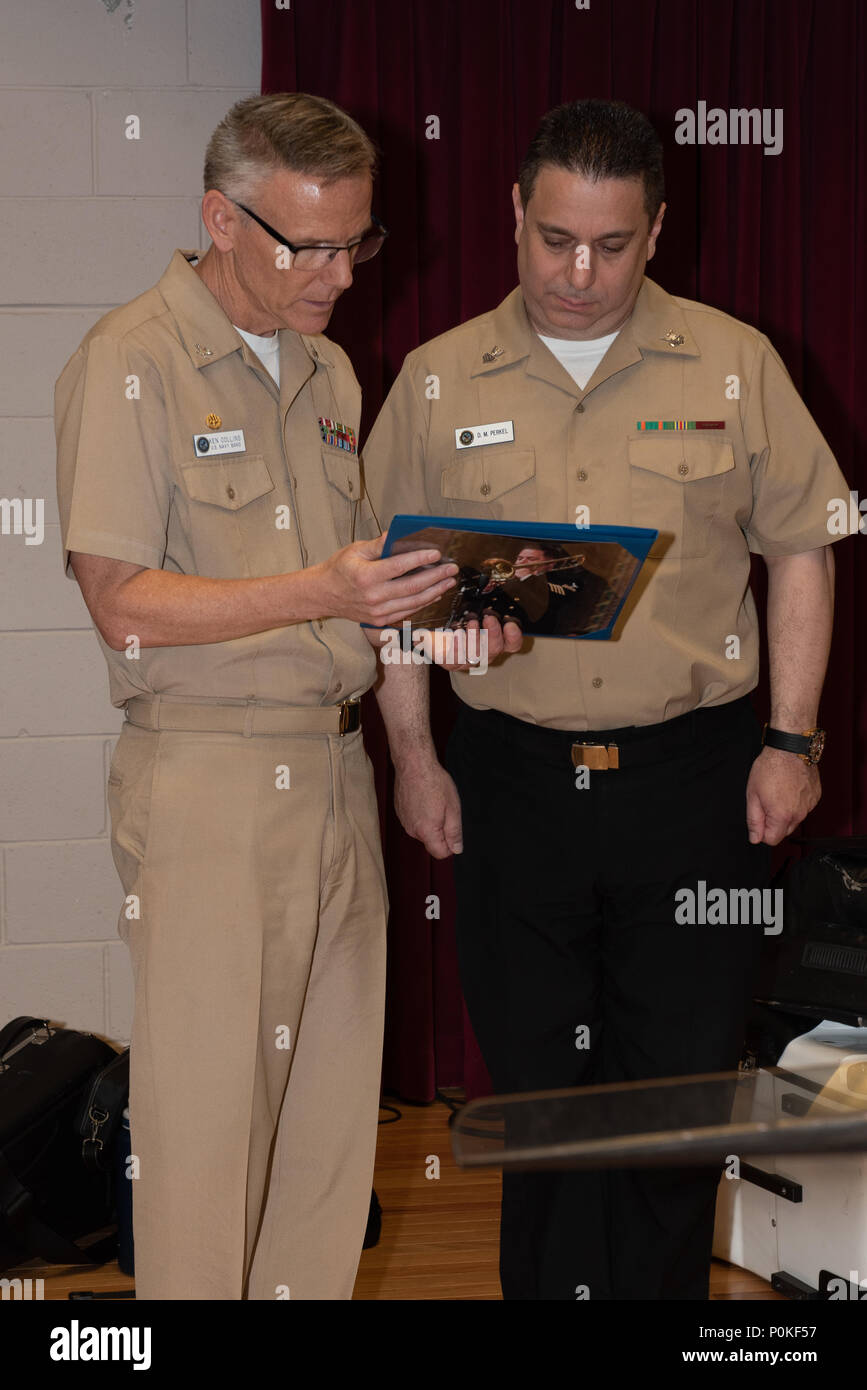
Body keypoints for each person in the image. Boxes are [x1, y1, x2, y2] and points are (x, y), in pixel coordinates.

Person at [360, 99, 852, 1300]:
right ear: (513, 215)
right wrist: (415, 760)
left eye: (613, 246)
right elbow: (387, 591)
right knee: (541, 1101)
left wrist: (791, 740)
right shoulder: (433, 381)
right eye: (554, 240)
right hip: (515, 784)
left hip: (694, 779)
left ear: (659, 230)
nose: (580, 273)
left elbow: (804, 546)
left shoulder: (738, 363)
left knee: (674, 1100)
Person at [54, 92, 460, 1301]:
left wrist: (418, 742)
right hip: (211, 781)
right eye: (311, 245)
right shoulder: (131, 361)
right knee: (208, 1143)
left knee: (328, 1137)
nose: (339, 275)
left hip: (339, 774)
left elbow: (368, 589)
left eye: (357, 242)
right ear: (219, 220)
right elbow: (120, 599)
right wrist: (312, 590)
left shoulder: (331, 369)